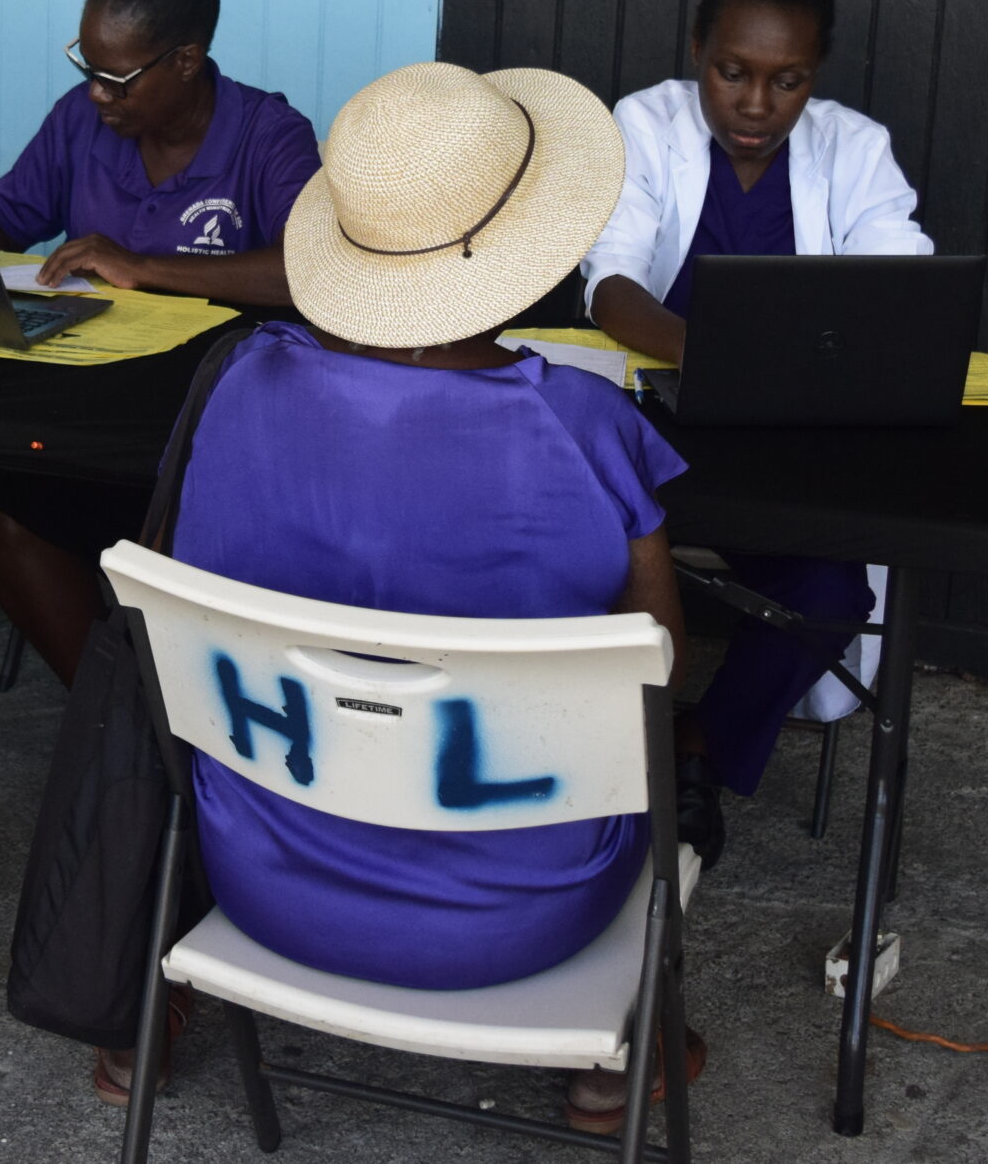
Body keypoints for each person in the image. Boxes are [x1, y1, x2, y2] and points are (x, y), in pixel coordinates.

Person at [138, 60, 702, 1133]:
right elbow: (657, 678)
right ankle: (611, 1070)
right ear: (532, 238)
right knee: (675, 793)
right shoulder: (588, 428)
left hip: (262, 881)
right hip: (522, 919)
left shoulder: (235, 387)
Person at [0, 0, 321, 760]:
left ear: (186, 60)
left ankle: (140, 744)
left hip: (194, 428)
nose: (97, 95)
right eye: (87, 66)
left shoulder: (268, 135)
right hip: (71, 398)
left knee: (2, 516)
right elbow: (6, 218)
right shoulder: (83, 122)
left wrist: (143, 265)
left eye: (117, 77)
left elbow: (310, 274)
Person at [580, 0, 931, 860]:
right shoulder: (643, 124)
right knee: (556, 548)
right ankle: (578, 761)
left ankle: (695, 747)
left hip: (786, 440)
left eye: (788, 80)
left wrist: (791, 371)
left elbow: (902, 283)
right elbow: (611, 284)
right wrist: (726, 358)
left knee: (829, 586)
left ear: (817, 73)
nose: (754, 103)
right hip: (650, 423)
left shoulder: (853, 147)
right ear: (697, 47)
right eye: (732, 71)